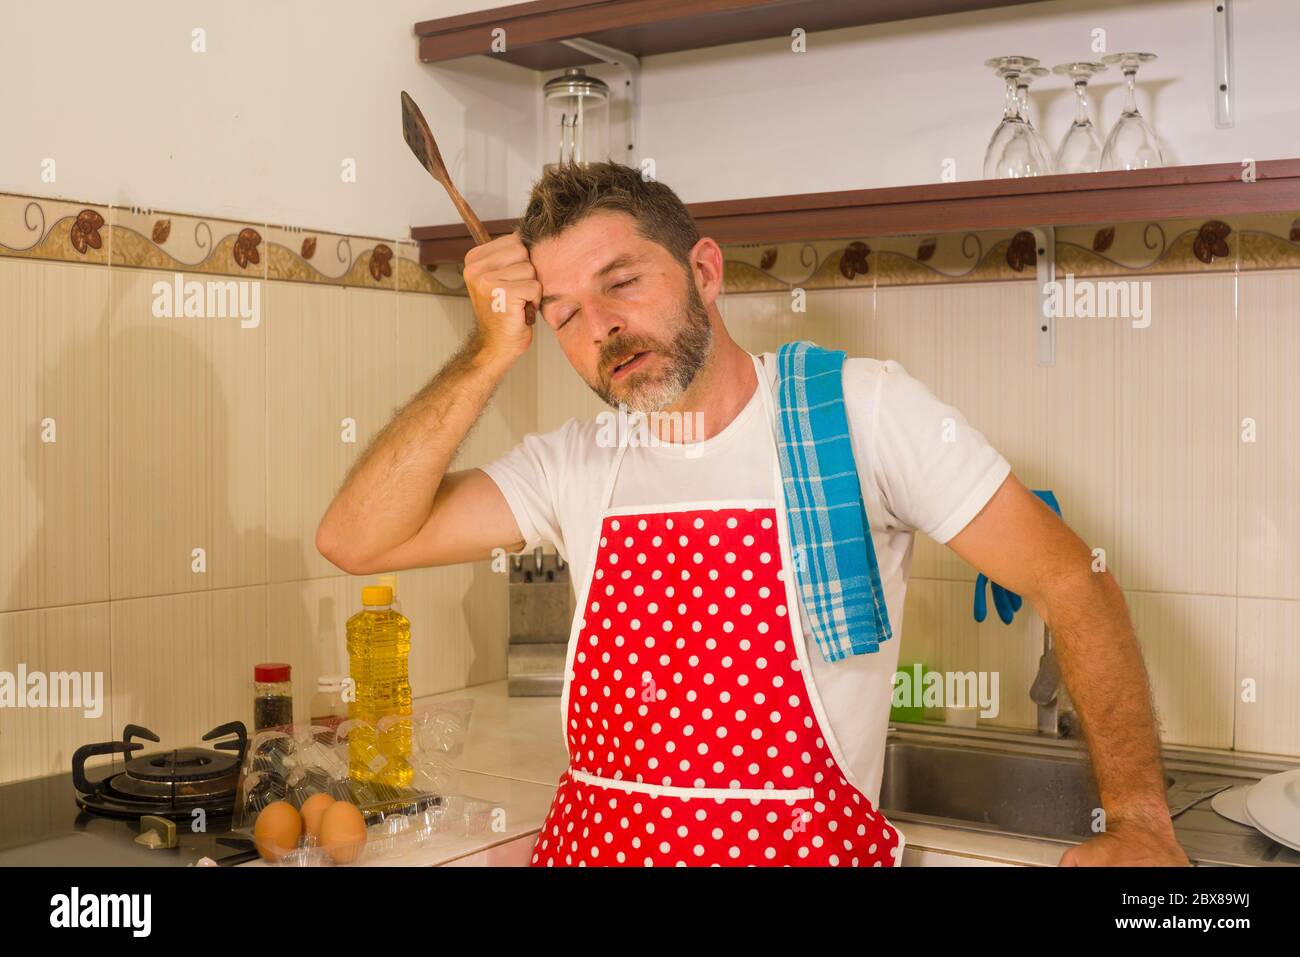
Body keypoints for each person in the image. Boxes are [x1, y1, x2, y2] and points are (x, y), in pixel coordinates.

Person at [316, 161, 1186, 867]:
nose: (603, 330)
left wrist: (1141, 818)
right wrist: (488, 352)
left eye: (623, 283)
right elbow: (355, 539)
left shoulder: (856, 413)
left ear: (704, 270)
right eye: (565, 315)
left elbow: (1073, 577)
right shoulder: (574, 463)